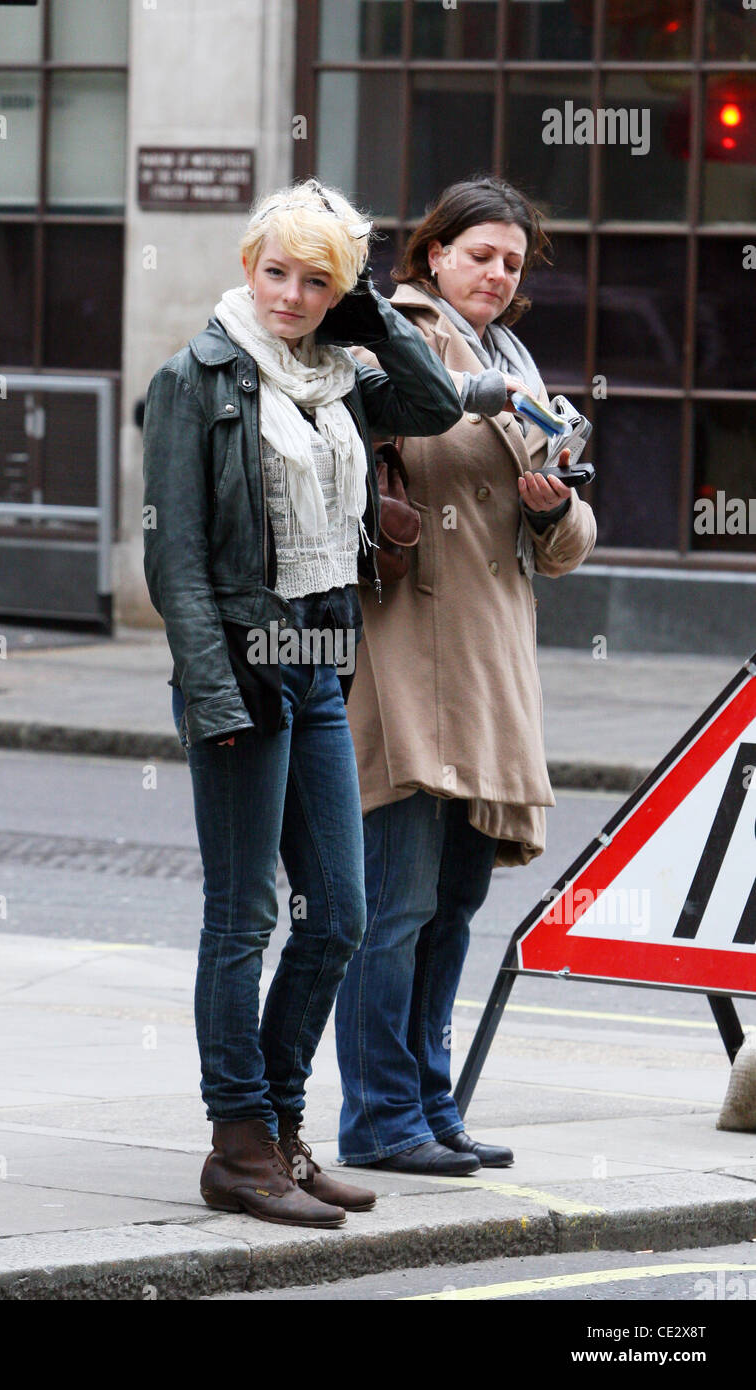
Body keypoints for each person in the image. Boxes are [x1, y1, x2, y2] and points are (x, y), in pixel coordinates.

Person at [142, 179, 501, 1227]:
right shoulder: (194, 380)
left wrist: (368, 314)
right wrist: (213, 695)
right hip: (243, 675)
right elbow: (176, 562)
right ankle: (236, 1141)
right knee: (243, 917)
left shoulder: (341, 376)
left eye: (316, 279)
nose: (291, 295)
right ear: (247, 265)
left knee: (337, 915)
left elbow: (434, 403)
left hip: (321, 667)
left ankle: (284, 1128)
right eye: (277, 272)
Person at [335, 175, 597, 1176]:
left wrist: (545, 506)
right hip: (406, 647)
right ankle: (378, 1116)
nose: (495, 273)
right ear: (431, 254)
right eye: (478, 252)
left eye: (511, 263)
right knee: (392, 907)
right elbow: (391, 419)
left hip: (488, 660)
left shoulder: (515, 360)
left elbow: (571, 540)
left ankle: (431, 1106)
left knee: (452, 906)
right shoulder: (386, 335)